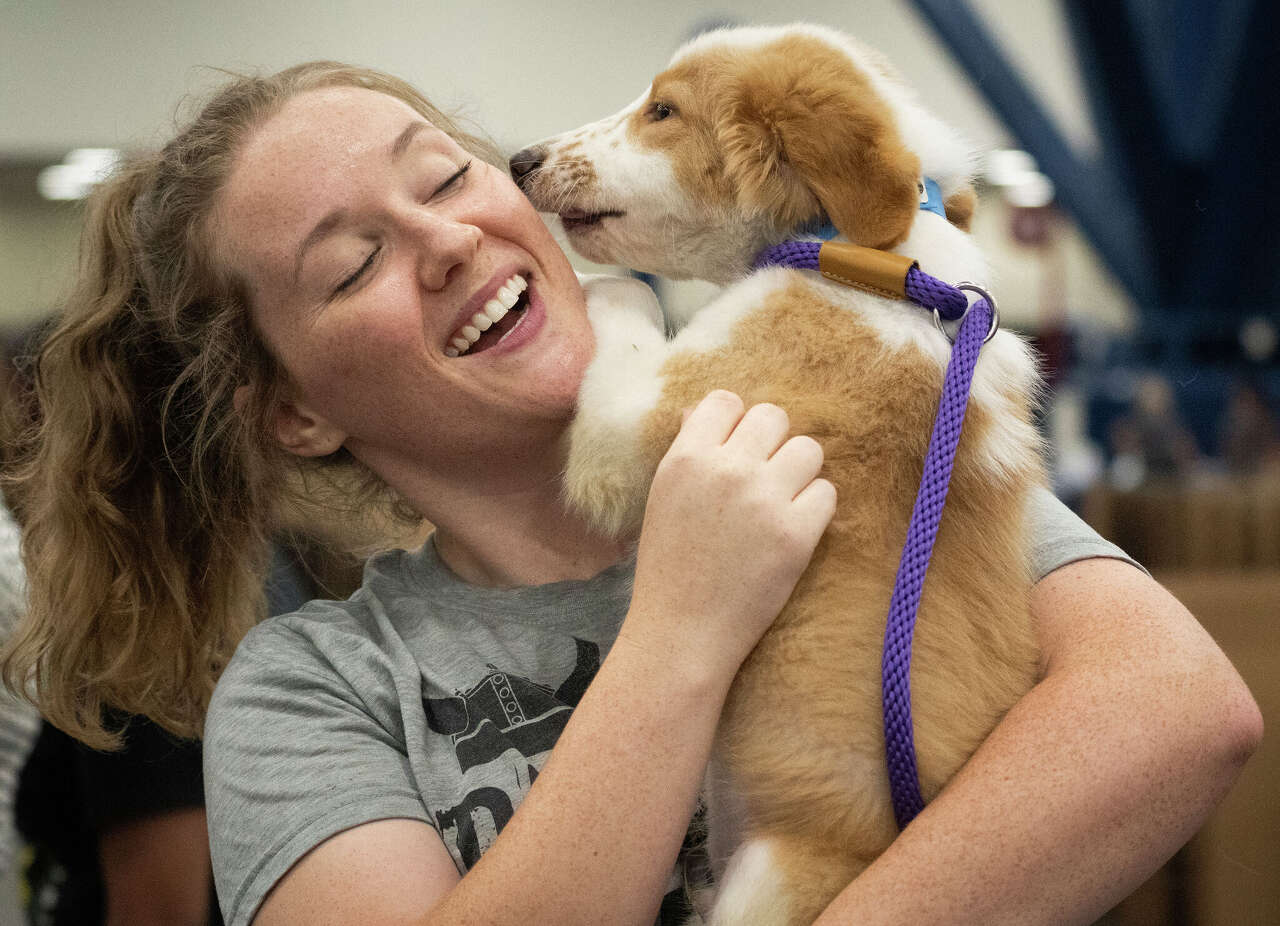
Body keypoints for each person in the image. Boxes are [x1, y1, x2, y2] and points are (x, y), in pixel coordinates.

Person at [0, 62, 1261, 926]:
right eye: (352, 263)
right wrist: (679, 630)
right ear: (296, 412)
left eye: (443, 179)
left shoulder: (838, 437)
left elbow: (1178, 709)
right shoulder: (309, 691)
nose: (446, 240)